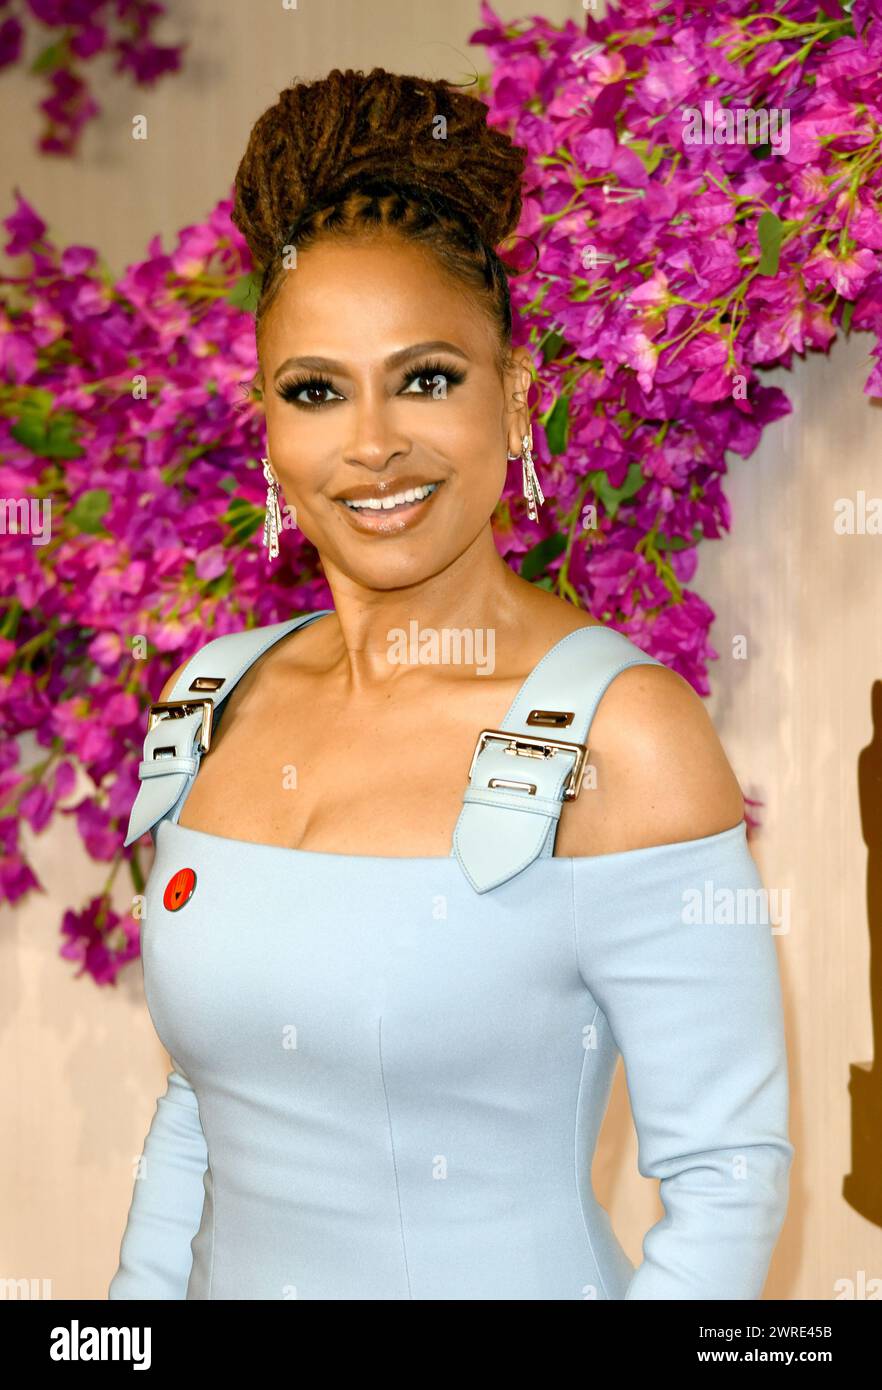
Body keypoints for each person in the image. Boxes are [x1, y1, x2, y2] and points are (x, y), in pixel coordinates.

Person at [107, 66, 793, 1300]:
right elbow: (197, 1117)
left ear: (516, 399)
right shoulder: (204, 703)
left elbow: (729, 1180)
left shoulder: (625, 736)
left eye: (427, 377)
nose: (373, 441)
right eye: (316, 390)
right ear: (265, 427)